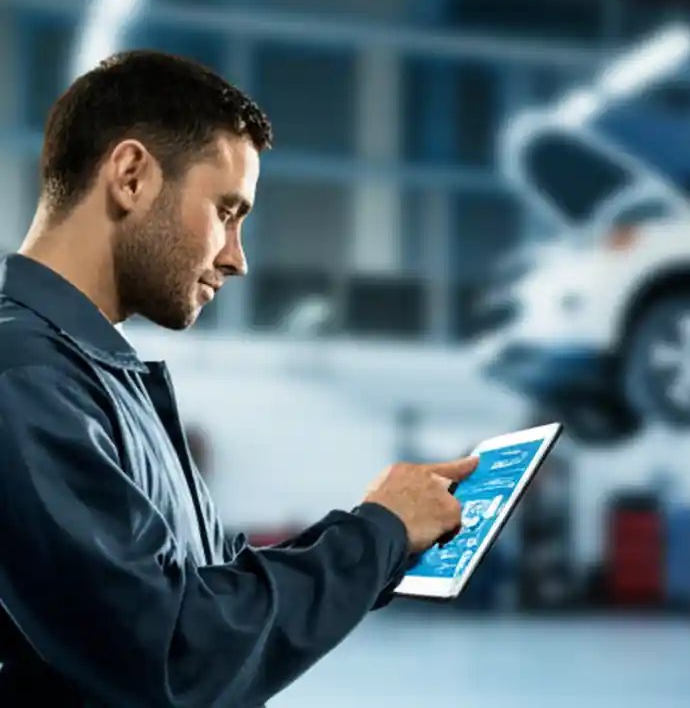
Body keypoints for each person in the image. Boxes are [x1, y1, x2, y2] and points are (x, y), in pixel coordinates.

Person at [0, 50, 477, 706]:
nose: (237, 258)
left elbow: (220, 585)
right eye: (227, 211)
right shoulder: (23, 378)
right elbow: (176, 655)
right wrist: (380, 532)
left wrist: (391, 530)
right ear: (132, 176)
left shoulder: (95, 377)